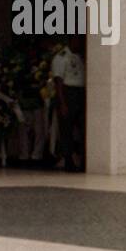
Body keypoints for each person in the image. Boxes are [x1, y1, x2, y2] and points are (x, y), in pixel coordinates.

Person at [51, 33, 86, 172]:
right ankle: (68, 160)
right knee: (66, 130)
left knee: (83, 128)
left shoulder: (81, 56)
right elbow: (58, 81)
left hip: (80, 93)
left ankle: (83, 159)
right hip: (67, 93)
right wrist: (63, 103)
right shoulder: (61, 57)